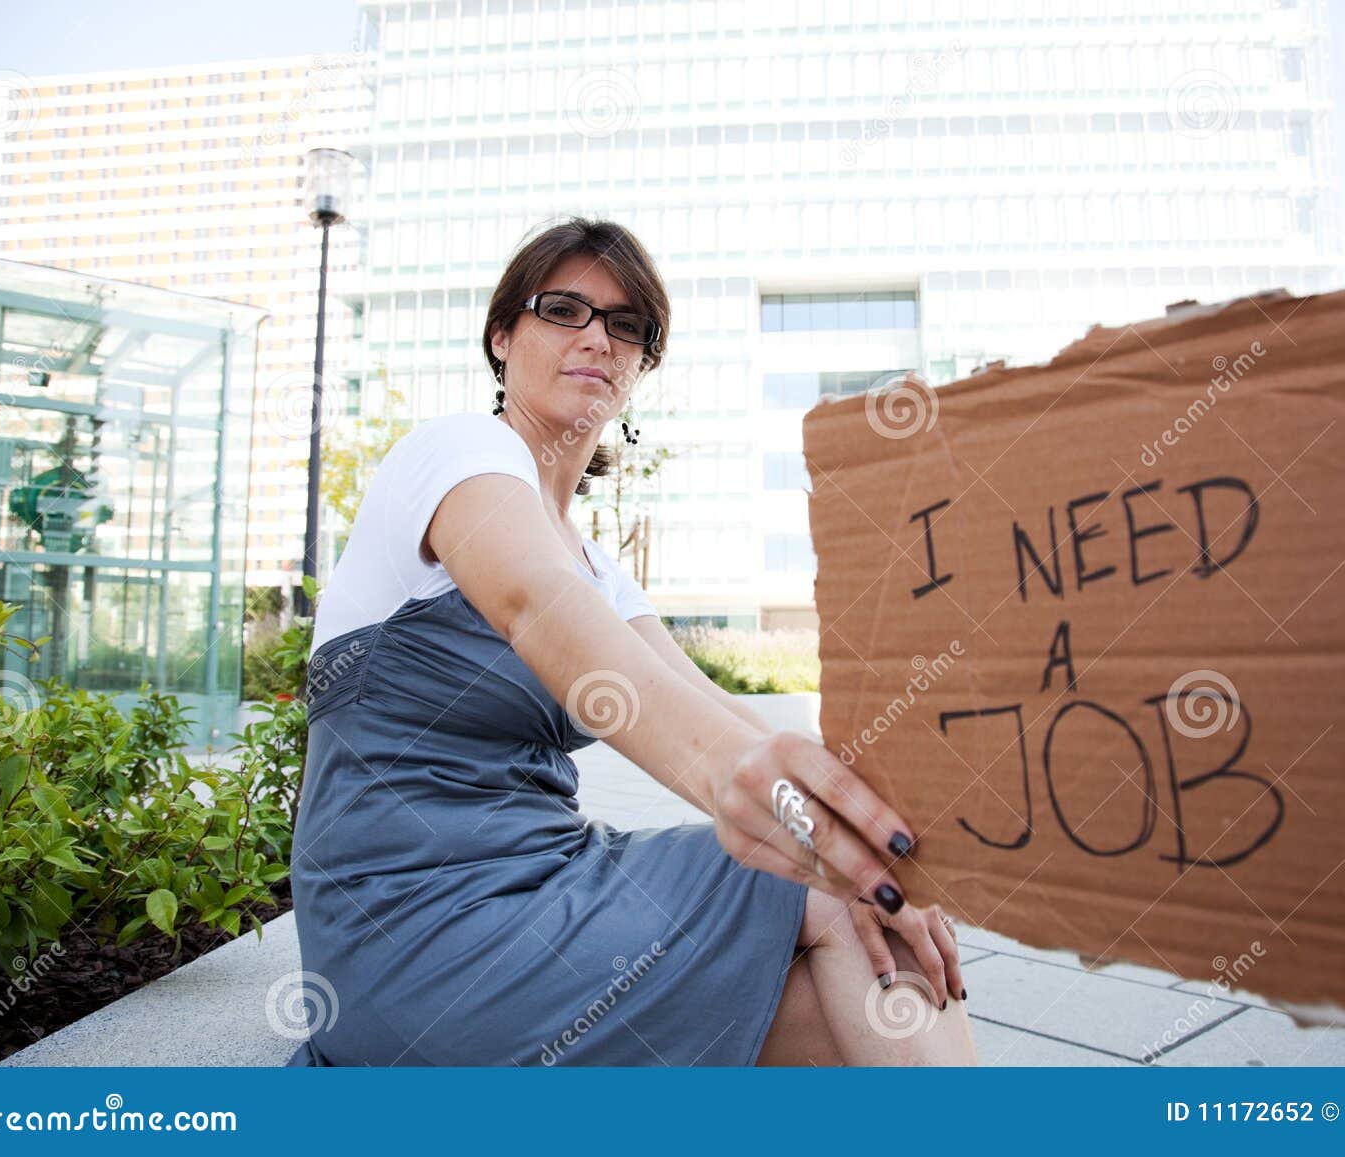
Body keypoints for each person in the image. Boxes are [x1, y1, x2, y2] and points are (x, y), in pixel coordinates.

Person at [286, 217, 976, 1066]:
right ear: (503, 335)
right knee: (832, 892)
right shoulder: (456, 455)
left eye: (626, 326)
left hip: (553, 884)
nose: (597, 339)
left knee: (855, 992)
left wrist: (873, 813)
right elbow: (530, 602)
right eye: (564, 309)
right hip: (412, 923)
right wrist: (766, 806)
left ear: (642, 361)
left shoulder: (602, 572)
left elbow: (709, 706)